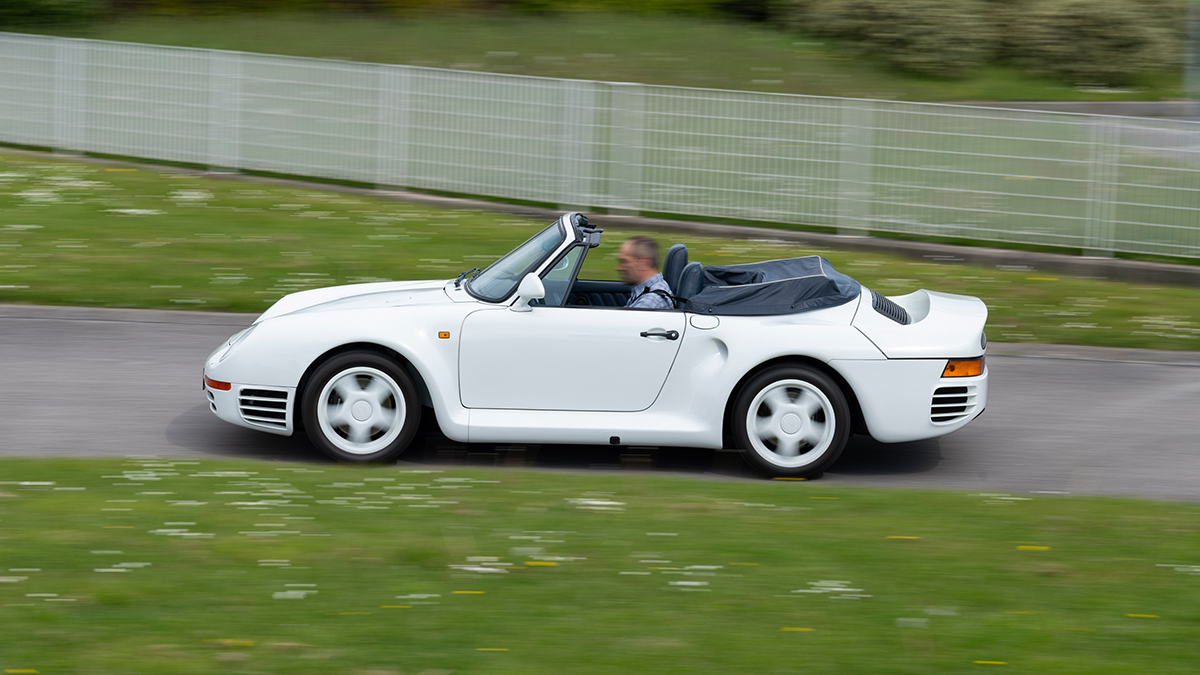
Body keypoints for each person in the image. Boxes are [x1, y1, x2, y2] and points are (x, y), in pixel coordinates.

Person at [617, 236, 673, 309]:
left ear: (643, 263)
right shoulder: (646, 290)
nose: (619, 268)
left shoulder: (650, 302)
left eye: (625, 262)